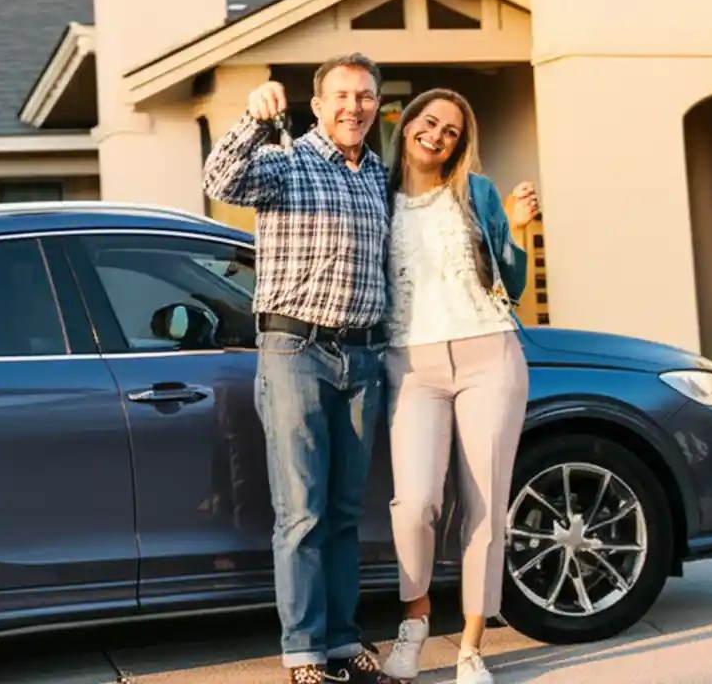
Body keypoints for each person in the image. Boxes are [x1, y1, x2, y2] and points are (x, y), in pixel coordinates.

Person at [202, 53, 394, 684]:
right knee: (303, 512)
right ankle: (305, 654)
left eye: (364, 96)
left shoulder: (376, 178)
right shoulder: (286, 164)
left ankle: (342, 642)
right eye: (341, 95)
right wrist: (253, 118)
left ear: (376, 104)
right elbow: (221, 179)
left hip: (363, 356)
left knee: (345, 513)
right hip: (296, 353)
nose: (353, 107)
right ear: (318, 105)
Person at [376, 88, 539, 684]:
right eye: (429, 121)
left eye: (451, 130)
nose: (437, 134)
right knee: (415, 502)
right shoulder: (378, 193)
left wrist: (516, 233)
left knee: (484, 504)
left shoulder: (478, 192)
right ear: (408, 123)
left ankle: (471, 645)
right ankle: (414, 624)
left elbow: (511, 283)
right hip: (410, 362)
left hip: (488, 352)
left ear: (459, 143)